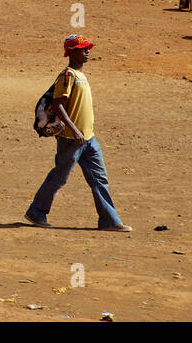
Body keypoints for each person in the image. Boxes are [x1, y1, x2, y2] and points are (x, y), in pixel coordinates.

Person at [25, 35, 132, 231]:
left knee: (99, 179)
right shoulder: (67, 76)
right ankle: (36, 212)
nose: (87, 51)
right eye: (82, 49)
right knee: (60, 177)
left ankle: (109, 220)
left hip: (88, 138)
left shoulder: (81, 76)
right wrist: (74, 130)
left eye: (87, 48)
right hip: (71, 139)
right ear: (71, 52)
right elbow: (57, 104)